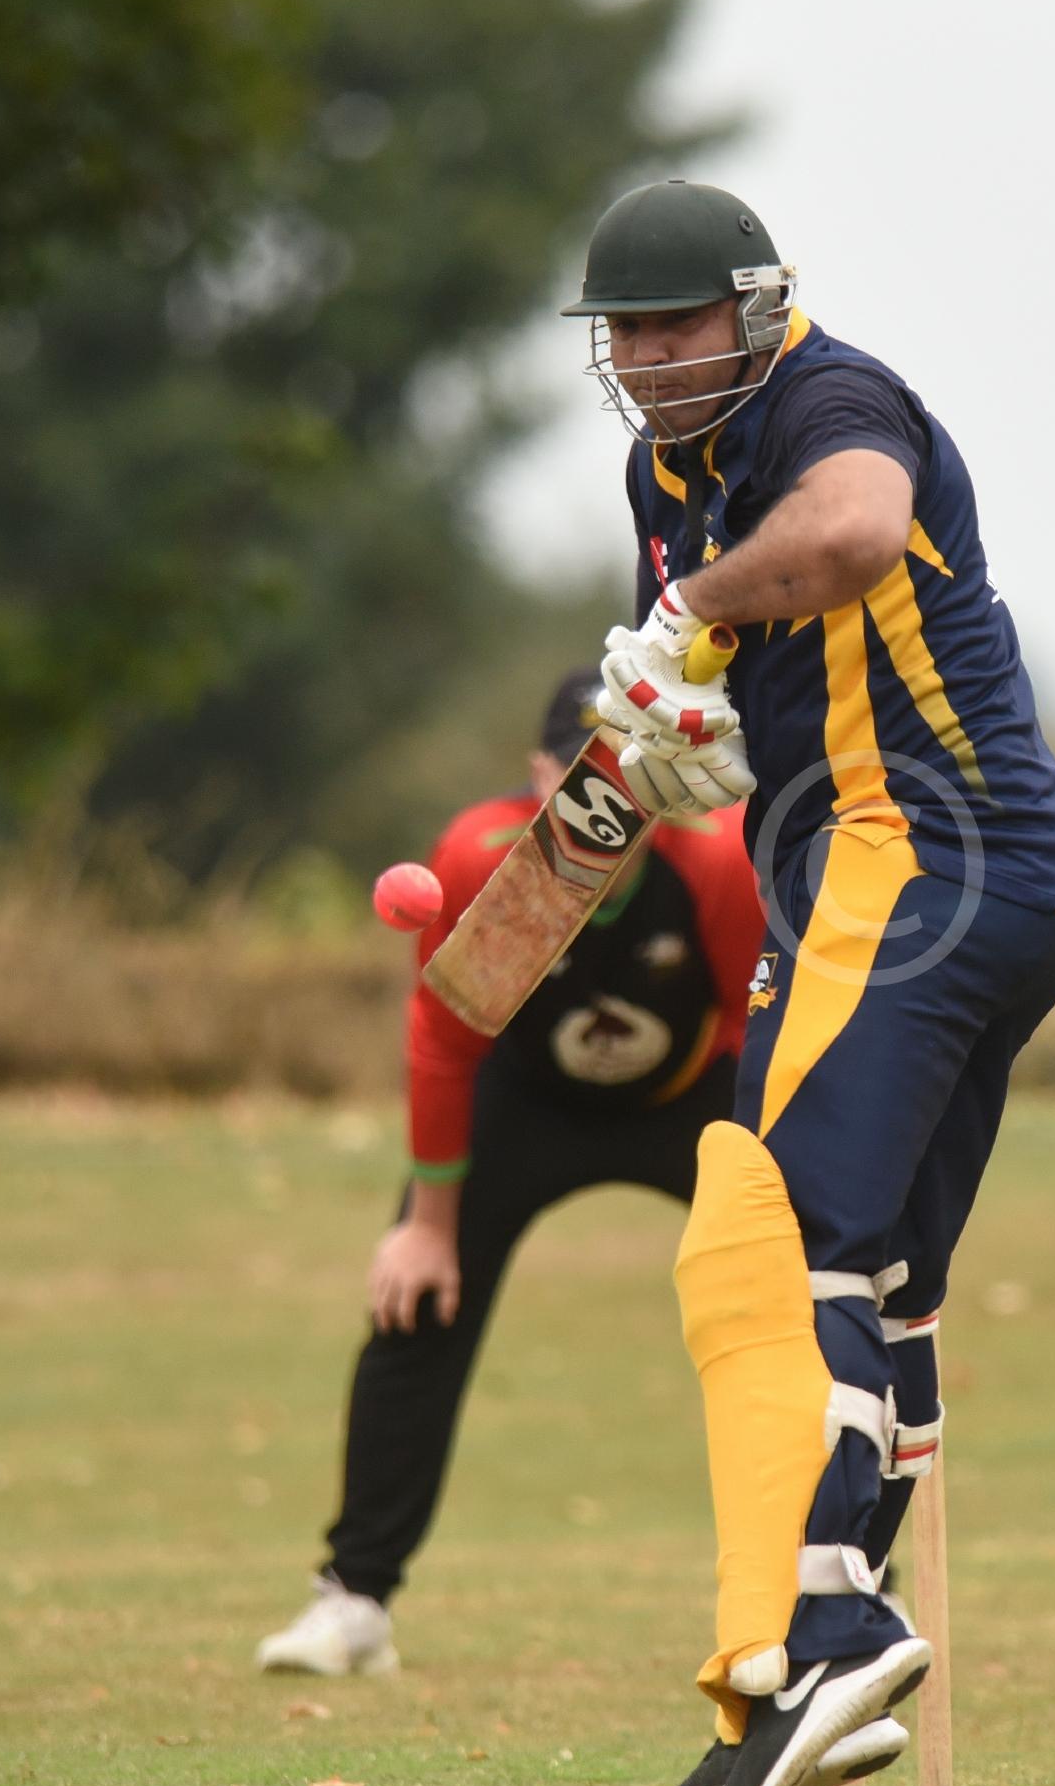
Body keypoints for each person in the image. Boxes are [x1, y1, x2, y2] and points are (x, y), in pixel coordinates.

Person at [561, 180, 1055, 1786]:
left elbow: (854, 534)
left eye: (675, 325)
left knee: (765, 1229)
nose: (649, 359)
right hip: (913, 877)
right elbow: (716, 672)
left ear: (754, 308)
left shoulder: (832, 397)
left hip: (922, 851)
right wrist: (674, 738)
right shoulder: (664, 474)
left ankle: (826, 1634)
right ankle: (798, 1683)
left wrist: (692, 616)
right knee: (867, 1280)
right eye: (623, 334)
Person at [256, 669, 765, 1677]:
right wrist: (427, 1226)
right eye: (582, 776)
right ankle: (354, 1601)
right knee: (416, 1300)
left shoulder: (717, 858)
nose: (610, 801)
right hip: (525, 1098)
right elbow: (445, 1040)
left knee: (802, 1298)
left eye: (635, 774)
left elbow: (762, 1030)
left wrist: (788, 1201)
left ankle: (845, 1586)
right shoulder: (482, 856)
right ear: (539, 775)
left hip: (695, 1095)